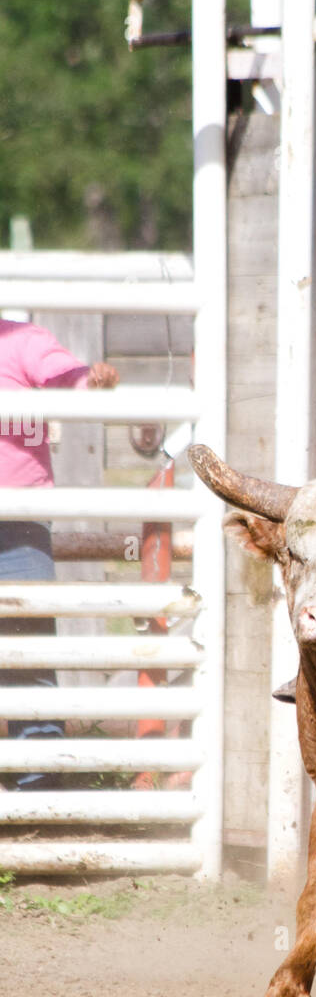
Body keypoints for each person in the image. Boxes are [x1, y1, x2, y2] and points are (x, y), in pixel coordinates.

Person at [0, 320, 118, 789]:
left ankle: (39, 784)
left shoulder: (19, 340)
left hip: (21, 521)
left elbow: (66, 375)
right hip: (23, 519)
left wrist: (91, 380)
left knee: (28, 648)